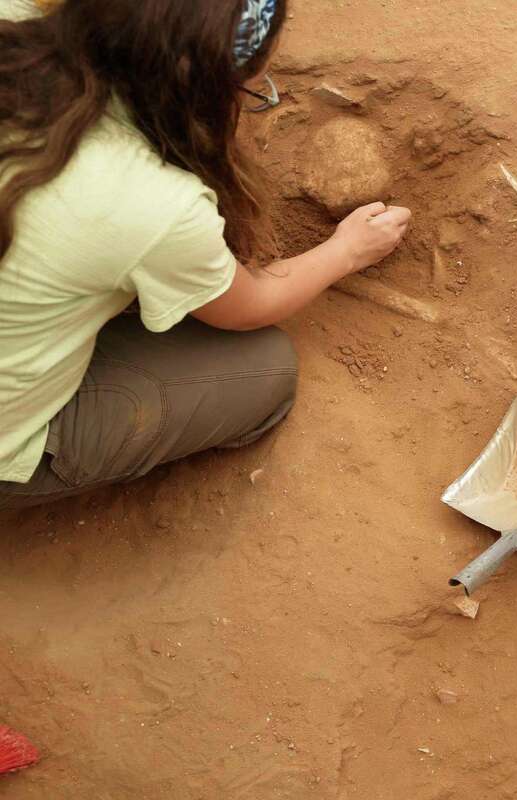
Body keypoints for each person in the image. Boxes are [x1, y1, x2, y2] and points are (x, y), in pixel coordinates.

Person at [0, 0, 411, 510]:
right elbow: (249, 304)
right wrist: (346, 250)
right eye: (251, 90)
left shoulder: (14, 18)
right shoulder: (147, 202)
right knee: (263, 368)